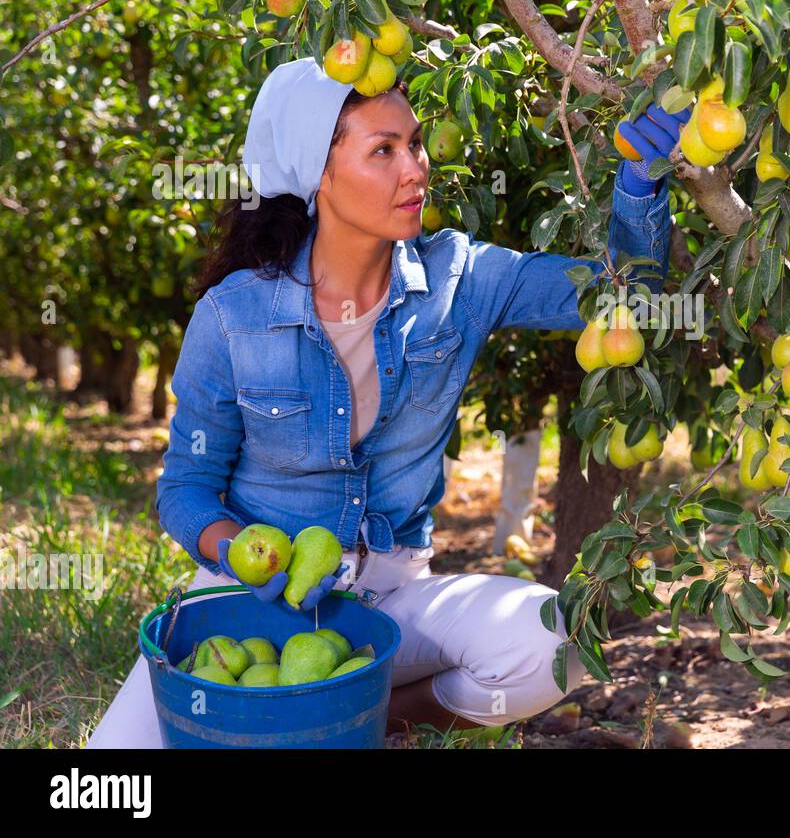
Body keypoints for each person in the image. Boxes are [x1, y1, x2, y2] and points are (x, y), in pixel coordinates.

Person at [85, 57, 691, 747]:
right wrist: (241, 553)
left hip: (392, 596)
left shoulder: (459, 278)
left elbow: (621, 298)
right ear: (320, 173)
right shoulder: (233, 316)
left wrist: (639, 184)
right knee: (110, 771)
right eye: (384, 150)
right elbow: (186, 489)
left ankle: (372, 716)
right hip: (249, 607)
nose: (415, 169)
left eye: (416, 143)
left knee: (553, 640)